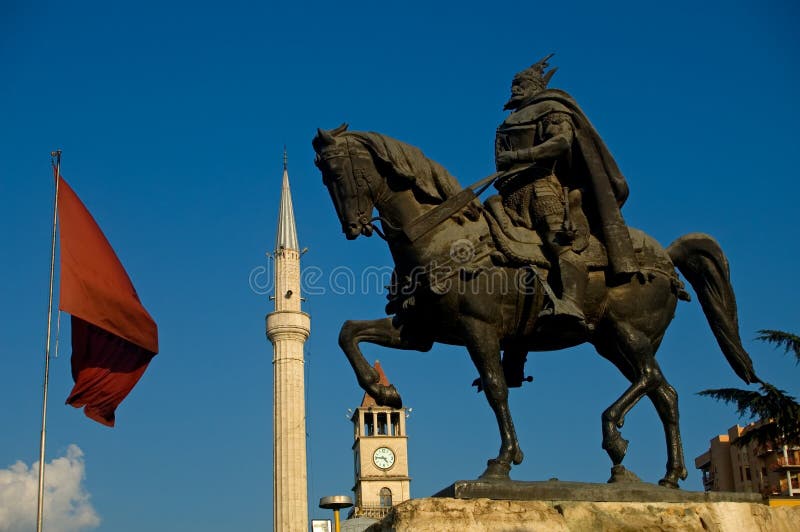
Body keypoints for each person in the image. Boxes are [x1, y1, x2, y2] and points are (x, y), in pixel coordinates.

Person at [495, 54, 638, 327]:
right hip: (509, 193)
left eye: (522, 82)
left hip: (542, 187)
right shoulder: (510, 119)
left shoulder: (551, 108)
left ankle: (571, 302)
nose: (516, 87)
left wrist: (520, 155)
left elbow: (561, 142)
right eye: (514, 83)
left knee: (556, 241)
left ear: (536, 85)